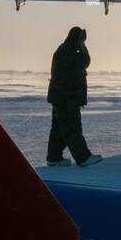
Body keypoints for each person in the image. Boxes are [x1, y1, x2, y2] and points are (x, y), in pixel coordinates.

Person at [46, 26, 102, 167]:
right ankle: (83, 157)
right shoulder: (70, 53)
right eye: (82, 40)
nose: (83, 43)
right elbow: (84, 63)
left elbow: (84, 64)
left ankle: (54, 158)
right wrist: (83, 49)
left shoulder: (65, 50)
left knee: (58, 130)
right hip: (67, 98)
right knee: (73, 128)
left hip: (60, 97)